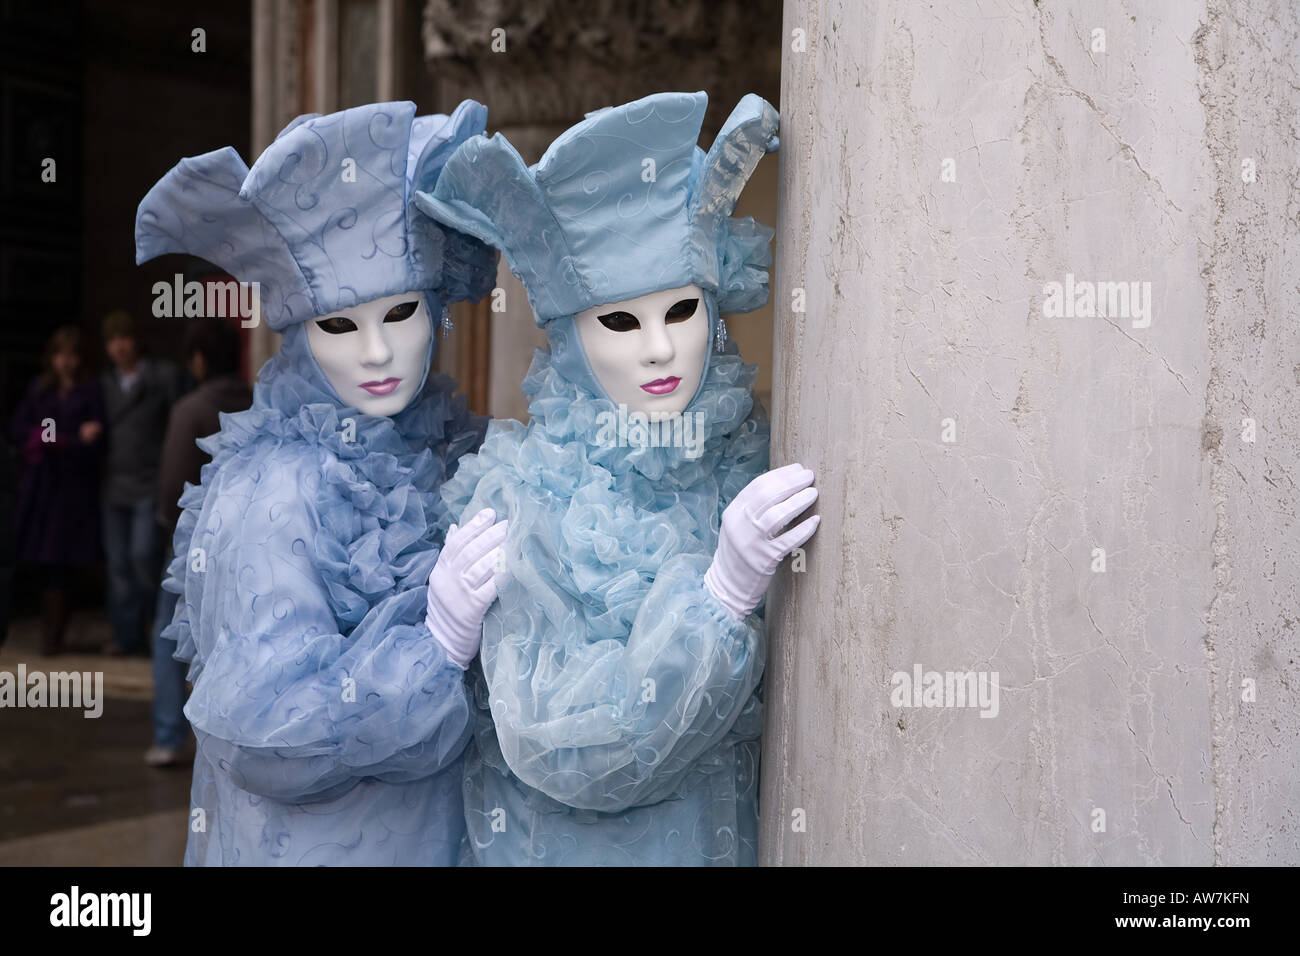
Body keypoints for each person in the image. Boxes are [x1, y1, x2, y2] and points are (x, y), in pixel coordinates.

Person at [415, 91, 819, 865]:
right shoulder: (525, 497)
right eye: (621, 322)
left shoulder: (744, 463)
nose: (661, 350)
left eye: (682, 311)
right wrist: (718, 603)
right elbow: (556, 744)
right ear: (570, 337)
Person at [135, 99, 501, 865]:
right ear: (300, 333)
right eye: (339, 324)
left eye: (401, 313)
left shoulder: (456, 457)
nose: (376, 352)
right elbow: (263, 732)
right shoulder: (273, 490)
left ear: (436, 310)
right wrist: (434, 651)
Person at [145, 317, 252, 768]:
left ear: (199, 358)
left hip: (196, 545)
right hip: (254, 540)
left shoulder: (189, 409)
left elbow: (172, 487)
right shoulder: (259, 404)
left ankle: (170, 736)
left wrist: (168, 523)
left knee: (168, 637)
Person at [10, 326, 105, 655]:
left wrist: (65, 440)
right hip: (43, 488)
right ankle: (48, 632)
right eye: (61, 355)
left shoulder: (90, 391)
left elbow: (95, 440)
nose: (66, 362)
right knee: (44, 560)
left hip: (73, 488)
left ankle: (56, 633)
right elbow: (21, 429)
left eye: (72, 355)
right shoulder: (41, 389)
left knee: (65, 561)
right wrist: (64, 438)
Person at [100, 309, 183, 656]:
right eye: (113, 340)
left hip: (148, 483)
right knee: (118, 564)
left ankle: (150, 628)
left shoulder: (159, 378)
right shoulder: (103, 385)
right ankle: (126, 637)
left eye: (125, 338)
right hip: (112, 484)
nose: (120, 347)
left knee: (142, 558)